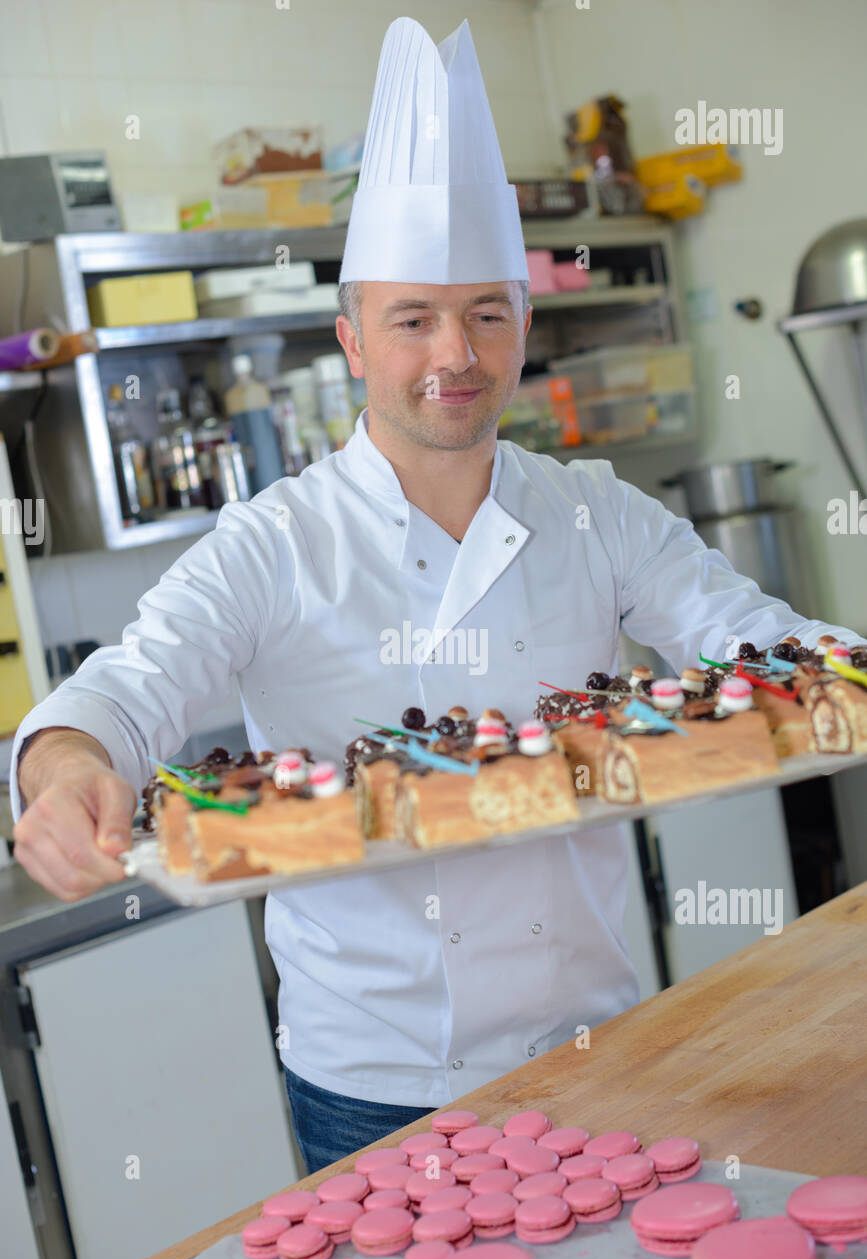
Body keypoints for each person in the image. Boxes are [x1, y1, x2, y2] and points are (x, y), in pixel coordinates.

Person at [10, 18, 865, 1173]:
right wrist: (64, 772)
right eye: (413, 317)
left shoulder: (594, 509)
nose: (453, 354)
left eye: (487, 313)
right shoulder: (276, 543)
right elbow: (129, 686)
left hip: (601, 1041)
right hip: (380, 1084)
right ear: (352, 337)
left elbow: (761, 641)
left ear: (523, 323)